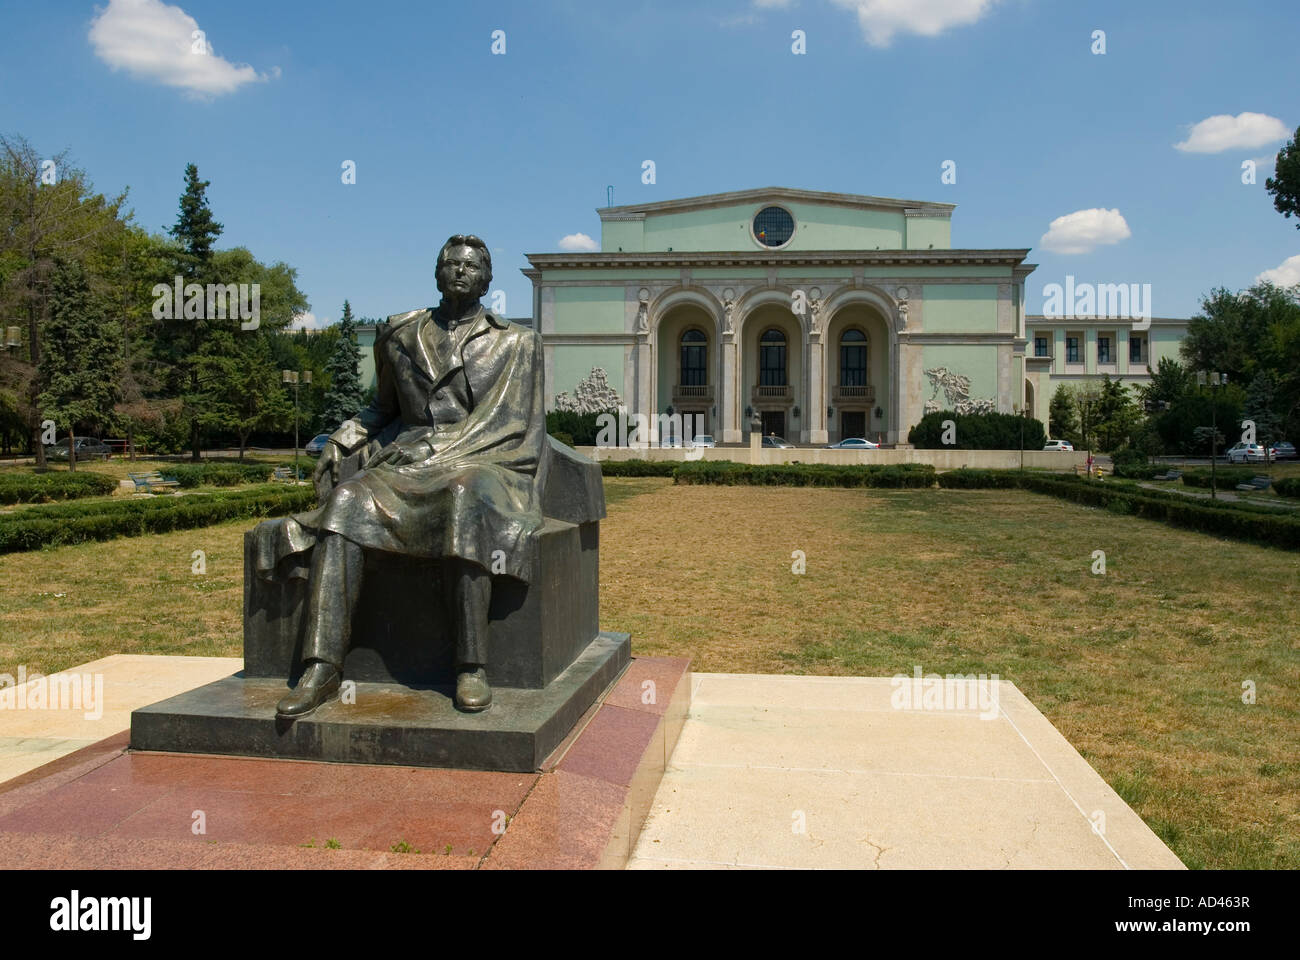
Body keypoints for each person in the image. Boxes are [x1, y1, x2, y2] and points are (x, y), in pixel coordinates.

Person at [259, 235, 545, 717]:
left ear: (488, 280)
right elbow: (379, 408)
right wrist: (343, 436)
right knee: (347, 499)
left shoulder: (516, 342)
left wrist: (442, 449)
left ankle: (470, 664)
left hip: (485, 463)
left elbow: (514, 425)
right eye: (450, 263)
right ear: (436, 273)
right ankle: (322, 665)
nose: (460, 271)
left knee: (462, 496)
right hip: (406, 462)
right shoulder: (401, 333)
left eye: (471, 266)